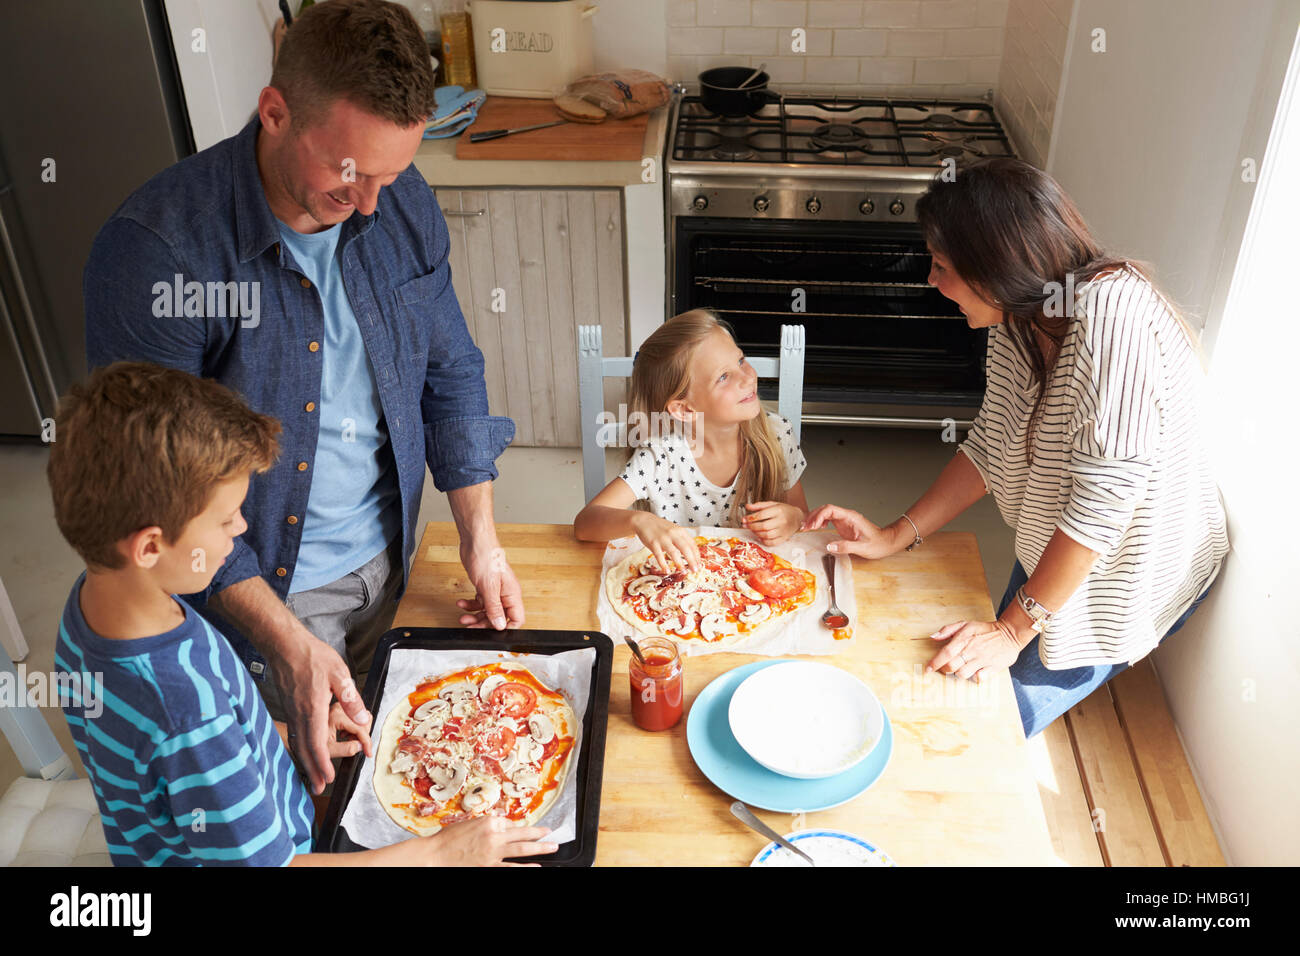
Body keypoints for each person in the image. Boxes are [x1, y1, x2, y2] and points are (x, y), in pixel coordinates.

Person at [82, 0, 523, 794]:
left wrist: (479, 537)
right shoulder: (159, 254)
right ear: (275, 113)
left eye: (391, 175)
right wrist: (285, 639)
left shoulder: (400, 199)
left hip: (391, 556)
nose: (372, 204)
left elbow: (450, 369)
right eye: (349, 173)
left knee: (419, 781)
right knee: (309, 811)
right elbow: (153, 502)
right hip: (257, 596)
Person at [48, 362, 555, 865]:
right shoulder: (185, 710)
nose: (242, 527)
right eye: (227, 519)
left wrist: (284, 735)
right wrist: (441, 854)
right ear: (150, 546)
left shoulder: (98, 607)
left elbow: (192, 754)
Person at [804, 157, 1228, 738]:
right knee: (952, 690)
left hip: (1119, 579)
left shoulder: (1112, 320)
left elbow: (1100, 513)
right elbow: (992, 441)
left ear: (994, 268)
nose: (932, 282)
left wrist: (1011, 630)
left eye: (942, 266)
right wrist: (894, 534)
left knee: (978, 730)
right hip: (1052, 547)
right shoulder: (1022, 313)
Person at [575, 310, 809, 571]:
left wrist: (794, 518)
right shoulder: (661, 455)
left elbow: (804, 519)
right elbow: (585, 522)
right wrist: (638, 521)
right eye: (723, 377)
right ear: (685, 409)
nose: (748, 377)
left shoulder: (776, 434)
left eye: (741, 360)